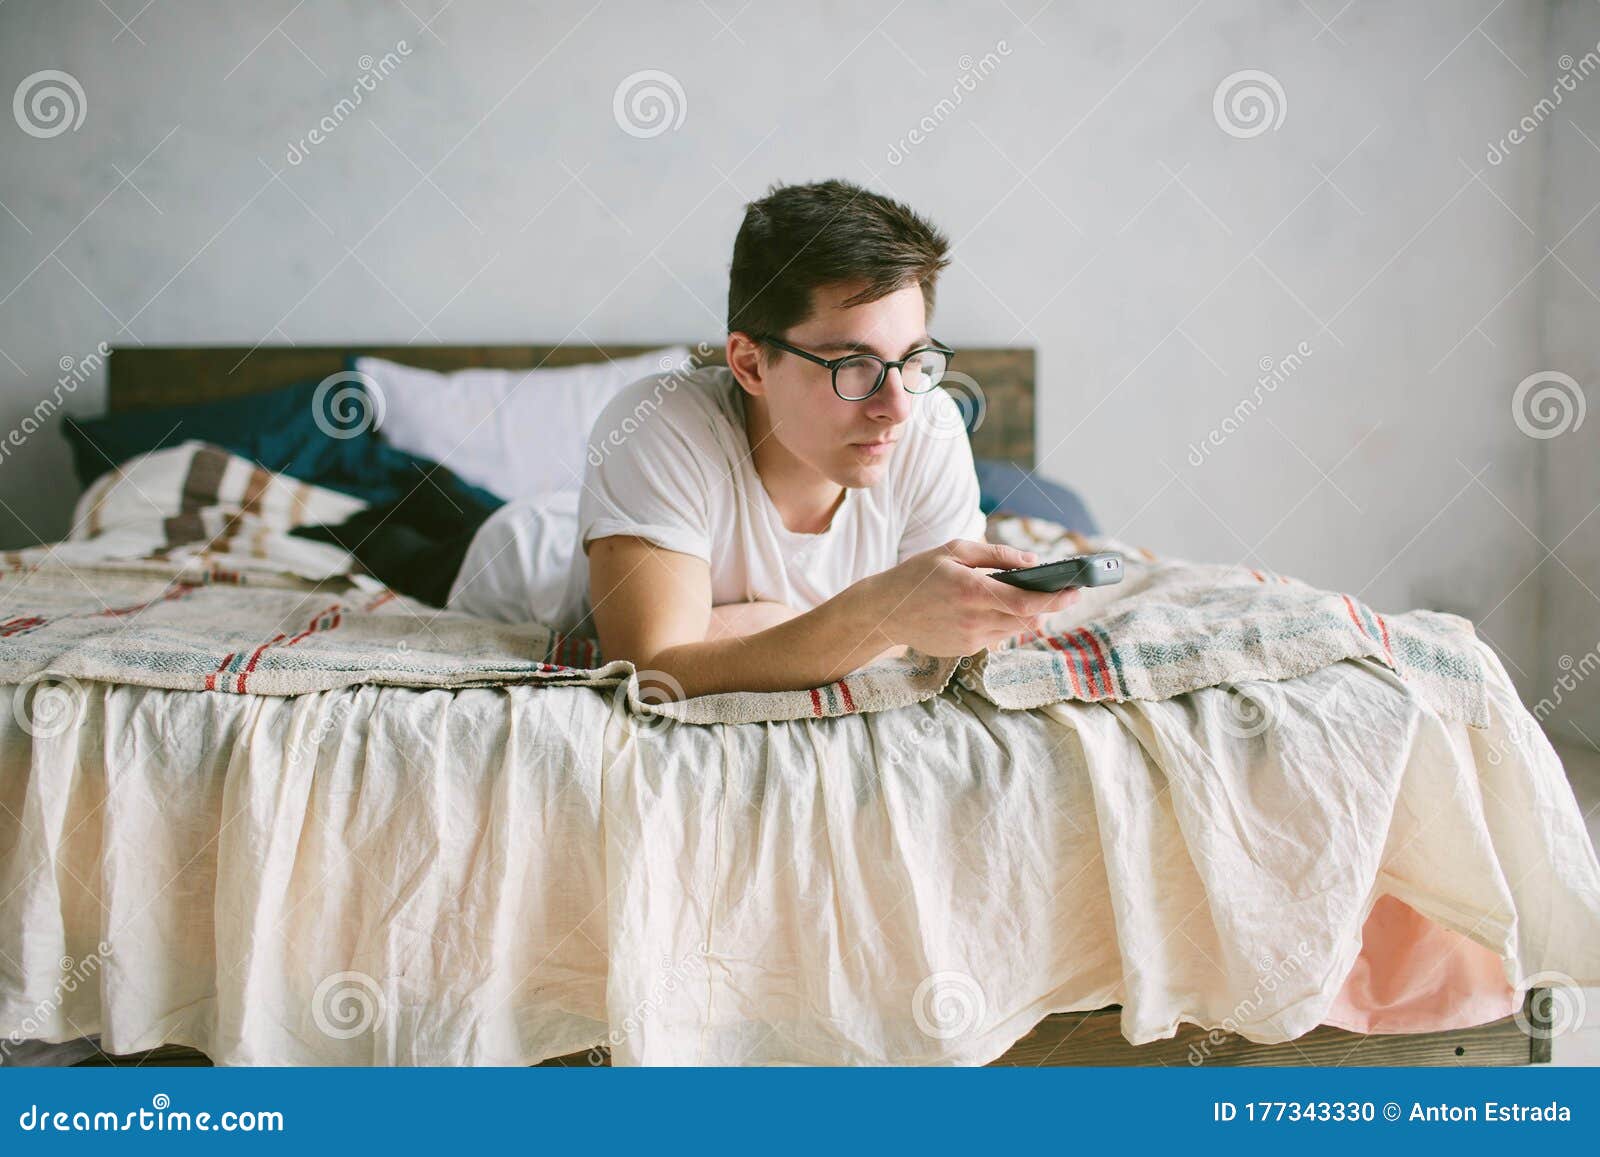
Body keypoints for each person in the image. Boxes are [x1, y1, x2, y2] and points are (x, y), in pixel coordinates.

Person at [539, 178, 1079, 698]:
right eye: (851, 364)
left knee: (1053, 504)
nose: (896, 408)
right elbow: (654, 672)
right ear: (750, 364)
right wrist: (881, 613)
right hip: (527, 546)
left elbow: (950, 645)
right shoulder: (656, 425)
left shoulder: (927, 415)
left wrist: (768, 626)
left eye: (913, 360)